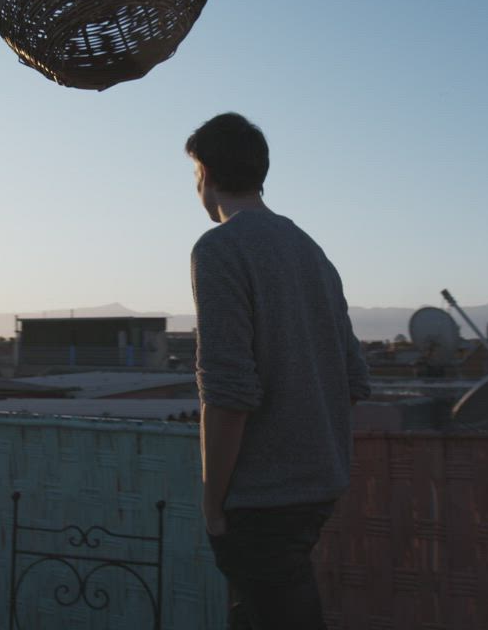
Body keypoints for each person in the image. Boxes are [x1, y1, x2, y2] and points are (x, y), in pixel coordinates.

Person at [186, 112, 371, 629]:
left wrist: (212, 504)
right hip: (318, 487)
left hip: (261, 497)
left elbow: (227, 393)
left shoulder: (219, 249)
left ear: (207, 172)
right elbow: (354, 379)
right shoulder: (310, 250)